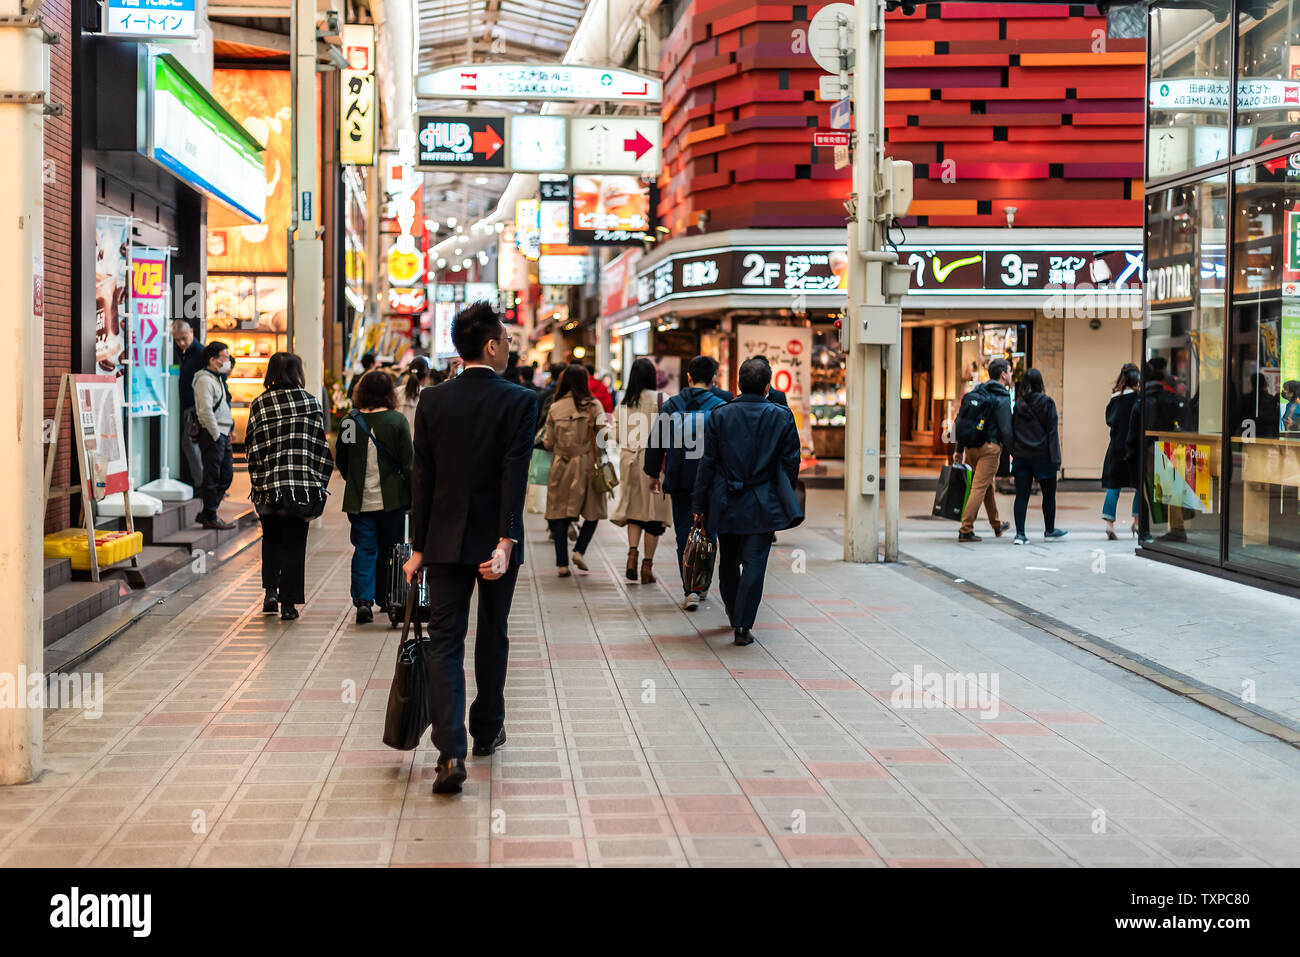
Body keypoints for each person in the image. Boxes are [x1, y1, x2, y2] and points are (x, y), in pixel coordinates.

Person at [402, 303, 537, 795]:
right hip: (492, 544)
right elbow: (513, 476)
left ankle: (450, 750)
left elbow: (424, 480)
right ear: (490, 346)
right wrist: (505, 539)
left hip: (442, 543)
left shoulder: (433, 401)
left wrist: (418, 547)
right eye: (504, 339)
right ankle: (486, 730)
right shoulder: (519, 402)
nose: (508, 347)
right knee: (492, 635)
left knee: (445, 641)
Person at [692, 357, 802, 646]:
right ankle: (743, 625)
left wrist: (699, 505)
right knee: (755, 562)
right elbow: (791, 462)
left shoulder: (719, 414)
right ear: (768, 386)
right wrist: (784, 493)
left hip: (725, 498)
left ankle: (733, 611)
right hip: (763, 500)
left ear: (738, 384)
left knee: (727, 561)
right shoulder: (781, 416)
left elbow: (708, 462)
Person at [244, 353, 333, 621]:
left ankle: (271, 593)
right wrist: (318, 479)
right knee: (295, 543)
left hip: (268, 486)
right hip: (300, 487)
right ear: (298, 372)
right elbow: (320, 448)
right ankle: (289, 604)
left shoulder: (260, 403)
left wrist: (259, 478)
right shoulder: (310, 402)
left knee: (271, 539)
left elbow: (252, 445)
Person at [644, 355, 727, 610]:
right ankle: (703, 584)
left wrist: (652, 473)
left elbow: (656, 441)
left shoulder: (672, 406)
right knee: (709, 531)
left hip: (680, 479)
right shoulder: (721, 407)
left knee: (683, 533)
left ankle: (689, 588)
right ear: (714, 378)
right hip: (711, 481)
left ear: (688, 377)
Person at [335, 369, 413, 625]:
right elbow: (408, 463)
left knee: (365, 549)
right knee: (392, 550)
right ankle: (389, 598)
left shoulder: (349, 421)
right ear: (389, 392)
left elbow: (343, 460)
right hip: (392, 500)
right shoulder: (397, 420)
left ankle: (364, 601)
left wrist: (353, 480)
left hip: (359, 500)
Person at [611, 357, 672, 583]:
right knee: (654, 516)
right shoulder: (662, 399)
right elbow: (670, 433)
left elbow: (616, 435)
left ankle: (631, 556)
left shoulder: (624, 403)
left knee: (634, 512)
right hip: (654, 464)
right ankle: (647, 567)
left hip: (629, 461)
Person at [542, 364, 607, 575]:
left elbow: (548, 443)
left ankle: (562, 564)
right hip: (587, 465)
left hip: (561, 465)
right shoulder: (593, 405)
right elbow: (603, 436)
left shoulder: (555, 406)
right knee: (593, 511)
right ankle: (579, 550)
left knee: (558, 514)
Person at [954, 357, 1014, 542]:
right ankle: (966, 529)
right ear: (1003, 374)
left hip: (972, 447)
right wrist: (1013, 452)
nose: (1011, 374)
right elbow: (1006, 428)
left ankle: (997, 525)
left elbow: (961, 419)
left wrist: (960, 449)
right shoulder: (1003, 396)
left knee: (987, 485)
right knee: (979, 488)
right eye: (1010, 371)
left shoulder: (979, 390)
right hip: (990, 448)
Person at [1009, 368, 1066, 544]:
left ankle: (1020, 534)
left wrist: (1014, 452)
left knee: (1021, 496)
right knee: (1049, 495)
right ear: (1040, 383)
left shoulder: (1018, 405)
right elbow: (1052, 434)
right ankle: (1049, 529)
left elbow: (1013, 430)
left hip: (1022, 456)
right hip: (1044, 456)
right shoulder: (1047, 403)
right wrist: (1056, 459)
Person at [193, 340, 236, 530]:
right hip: (213, 434)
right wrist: (216, 435)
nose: (228, 361)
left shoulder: (217, 378)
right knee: (213, 476)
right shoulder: (203, 380)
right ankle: (210, 515)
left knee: (226, 475)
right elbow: (205, 411)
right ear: (213, 360)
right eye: (225, 357)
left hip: (223, 433)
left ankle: (208, 512)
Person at [1101, 363, 1141, 539]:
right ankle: (1137, 521)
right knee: (1140, 485)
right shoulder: (1138, 399)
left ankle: (1110, 524)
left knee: (1114, 486)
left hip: (1115, 447)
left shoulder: (1114, 398)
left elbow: (1109, 421)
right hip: (1133, 447)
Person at [172, 319, 205, 489]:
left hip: (196, 407)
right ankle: (204, 484)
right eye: (177, 339)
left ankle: (203, 485)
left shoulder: (200, 353)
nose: (181, 342)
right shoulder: (182, 352)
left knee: (191, 444)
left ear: (192, 331)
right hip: (188, 406)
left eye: (184, 338)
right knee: (192, 445)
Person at [398, 356, 431, 430]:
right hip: (419, 441)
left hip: (398, 441)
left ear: (409, 373)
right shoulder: (429, 395)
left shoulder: (396, 392)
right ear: (427, 373)